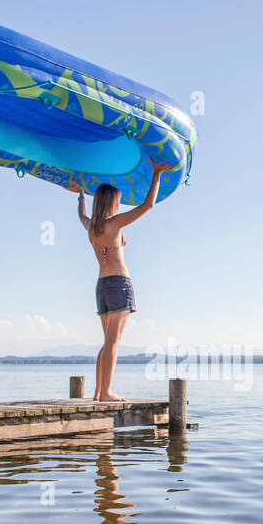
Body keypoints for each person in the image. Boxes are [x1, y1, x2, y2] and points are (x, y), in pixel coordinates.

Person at [67, 161, 171, 402]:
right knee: (113, 342)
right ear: (112, 203)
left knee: (106, 342)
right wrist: (156, 176)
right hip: (119, 284)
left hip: (102, 286)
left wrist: (81, 195)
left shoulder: (92, 227)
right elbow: (149, 204)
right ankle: (105, 392)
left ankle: (97, 392)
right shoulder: (114, 224)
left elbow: (82, 215)